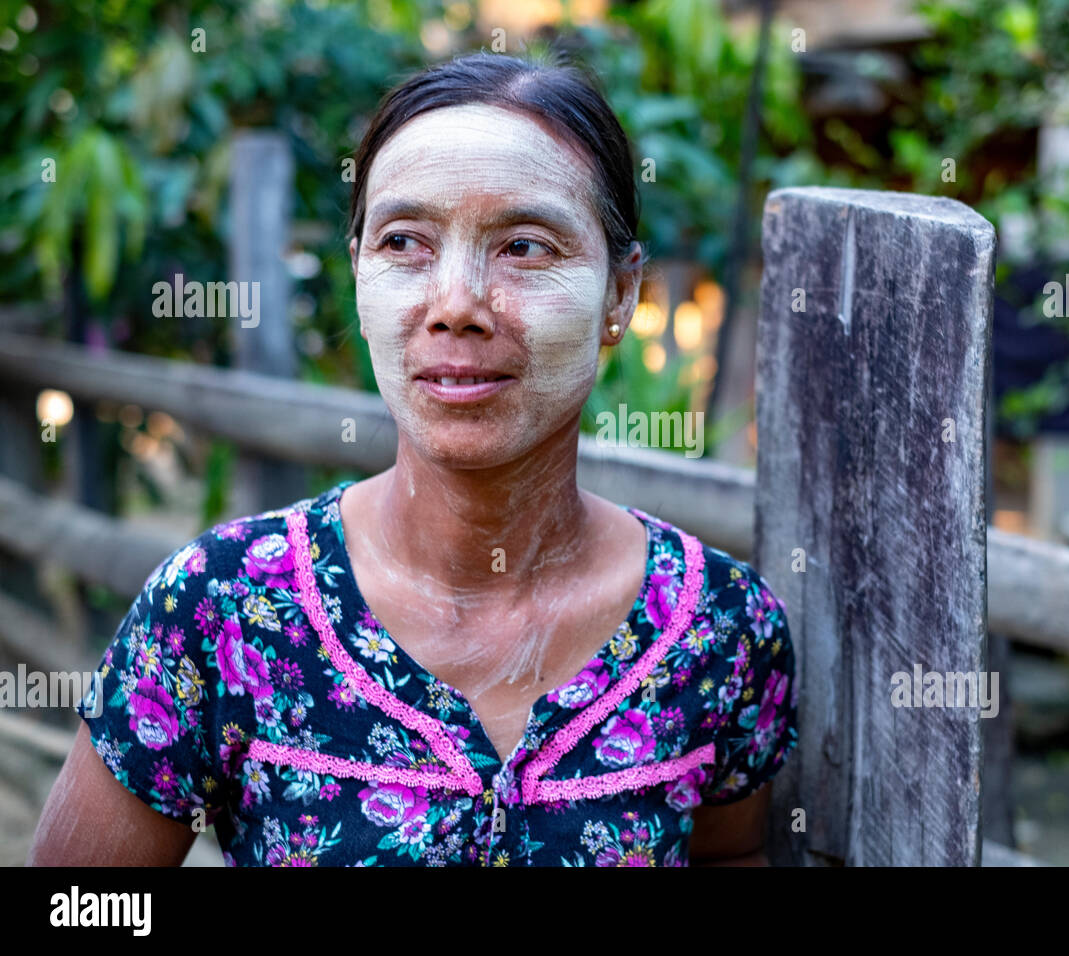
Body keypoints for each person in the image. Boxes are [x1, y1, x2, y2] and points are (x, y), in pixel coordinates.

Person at [28, 49, 797, 867]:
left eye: (526, 247)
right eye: (405, 242)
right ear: (359, 272)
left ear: (619, 295)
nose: (456, 304)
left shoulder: (720, 633)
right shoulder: (221, 608)